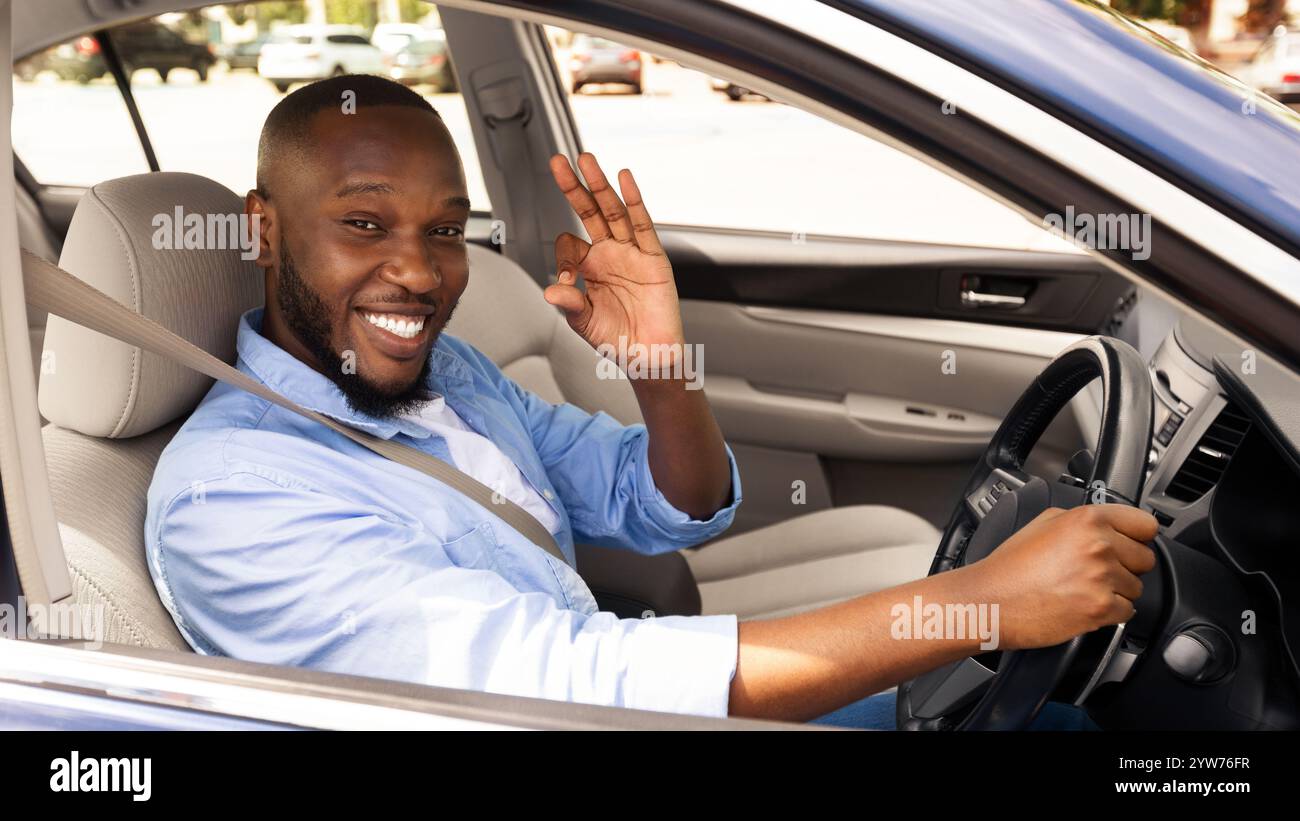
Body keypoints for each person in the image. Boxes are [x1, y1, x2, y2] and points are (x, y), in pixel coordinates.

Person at [145, 75, 1156, 728]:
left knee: (1042, 710)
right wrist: (975, 602)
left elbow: (658, 503)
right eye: (364, 223)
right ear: (265, 231)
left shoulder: (448, 376)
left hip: (605, 693)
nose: (417, 271)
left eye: (446, 230)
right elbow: (563, 685)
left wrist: (661, 368)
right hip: (589, 710)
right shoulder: (233, 496)